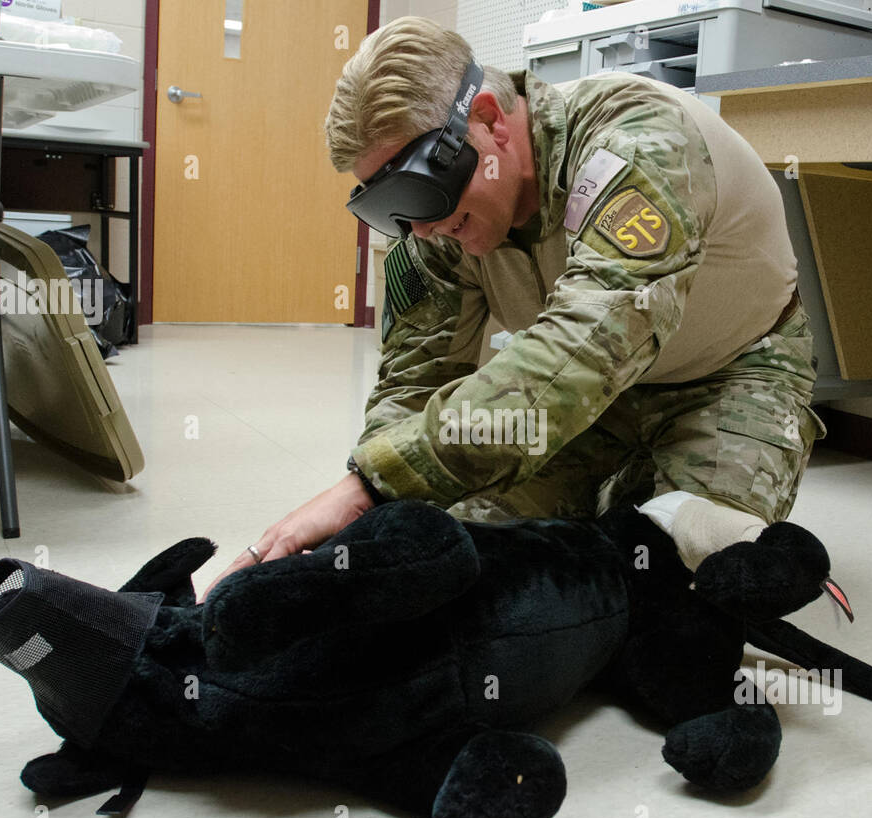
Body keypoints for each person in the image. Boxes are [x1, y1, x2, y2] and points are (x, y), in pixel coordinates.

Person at [204, 16, 827, 600]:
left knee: (687, 577)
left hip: (730, 373)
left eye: (419, 187)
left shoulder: (637, 141)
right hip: (594, 403)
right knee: (462, 551)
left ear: (487, 120)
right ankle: (611, 496)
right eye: (387, 205)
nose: (418, 228)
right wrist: (373, 520)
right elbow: (415, 381)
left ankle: (649, 502)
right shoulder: (436, 226)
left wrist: (372, 484)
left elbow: (589, 347)